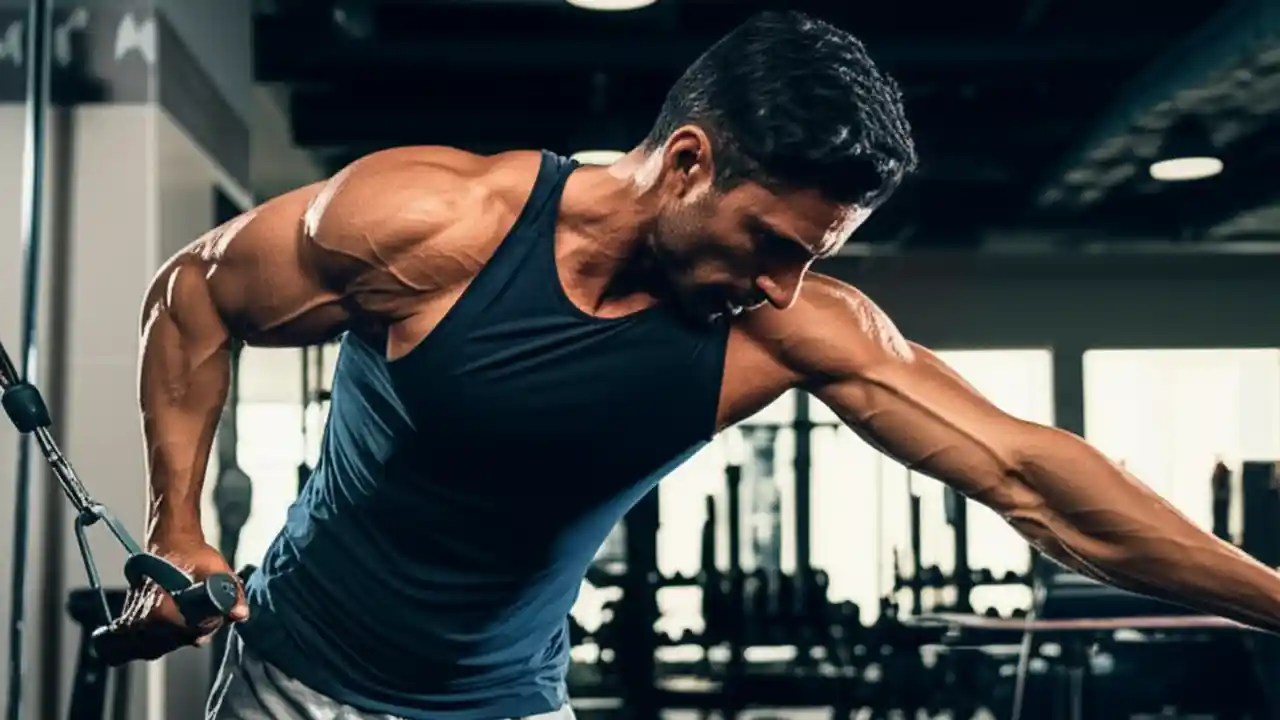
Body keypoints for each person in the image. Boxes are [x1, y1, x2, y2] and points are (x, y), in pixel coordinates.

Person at [97, 10, 1280, 720]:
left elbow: (1030, 476)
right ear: (684, 163)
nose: (780, 286)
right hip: (296, 673)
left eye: (810, 260)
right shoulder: (434, 225)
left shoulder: (785, 326)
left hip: (508, 699)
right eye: (770, 243)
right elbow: (191, 298)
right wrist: (182, 525)